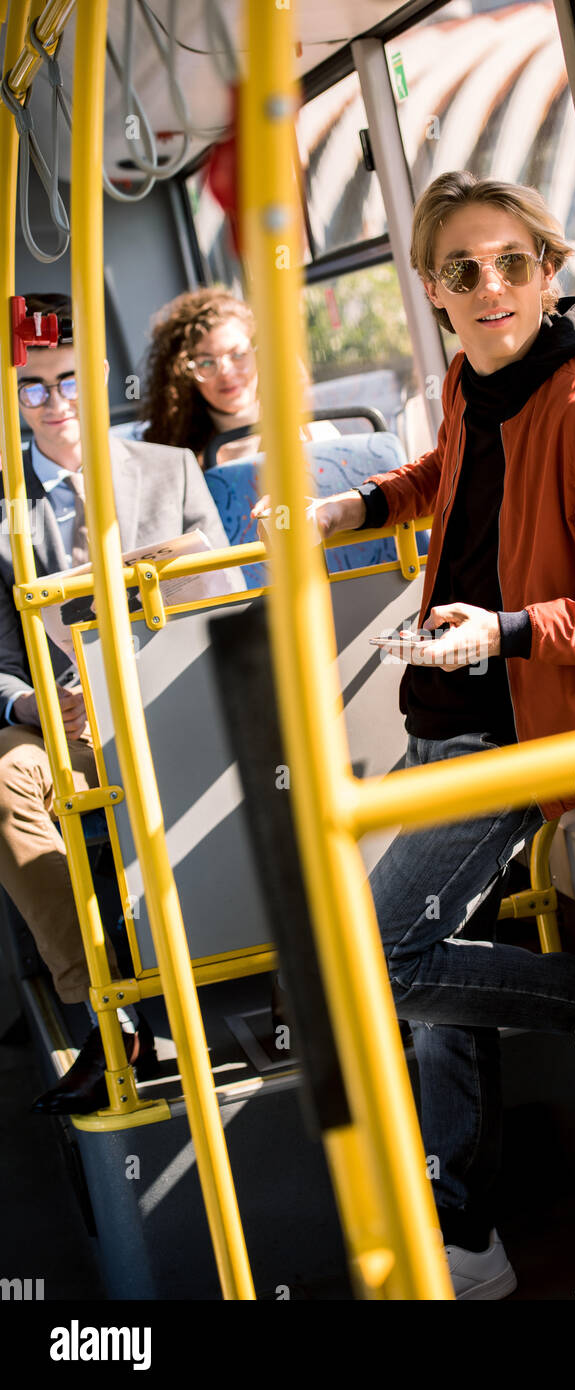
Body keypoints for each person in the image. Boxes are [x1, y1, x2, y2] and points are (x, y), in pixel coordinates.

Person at [306, 173, 575, 1298]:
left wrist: (512, 630)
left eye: (513, 265)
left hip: (521, 728)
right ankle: (466, 1228)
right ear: (434, 291)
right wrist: (371, 504)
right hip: (449, 714)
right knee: (443, 996)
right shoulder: (471, 383)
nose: (492, 289)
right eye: (464, 271)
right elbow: (459, 472)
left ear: (551, 271)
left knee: (387, 958)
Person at [0, 294, 235, 1115]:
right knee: (4, 786)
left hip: (177, 690)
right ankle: (107, 1015)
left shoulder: (170, 472)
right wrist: (32, 704)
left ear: (97, 377)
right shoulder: (4, 503)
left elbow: (228, 597)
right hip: (64, 722)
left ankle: (274, 979)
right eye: (33, 390)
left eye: (69, 381)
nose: (57, 405)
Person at [139, 287, 260, 467]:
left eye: (238, 354)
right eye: (206, 363)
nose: (225, 372)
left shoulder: (307, 429)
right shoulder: (178, 462)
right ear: (184, 375)